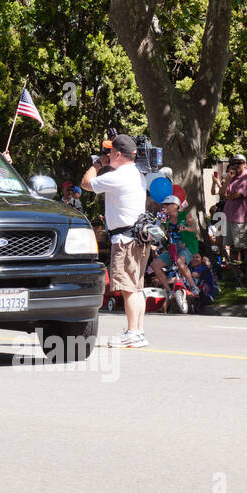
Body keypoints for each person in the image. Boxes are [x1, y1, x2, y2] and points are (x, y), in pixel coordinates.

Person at [81, 134, 150, 347]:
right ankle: (137, 331)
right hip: (139, 237)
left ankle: (132, 332)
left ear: (118, 154)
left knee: (128, 288)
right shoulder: (137, 173)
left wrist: (98, 163)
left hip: (125, 240)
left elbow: (85, 183)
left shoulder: (117, 176)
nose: (107, 155)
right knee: (137, 288)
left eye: (110, 153)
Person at [213, 155, 247, 276]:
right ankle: (237, 273)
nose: (236, 165)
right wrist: (227, 180)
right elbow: (222, 193)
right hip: (228, 217)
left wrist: (227, 196)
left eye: (239, 162)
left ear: (244, 164)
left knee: (243, 247)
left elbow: (236, 195)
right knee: (229, 245)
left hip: (240, 219)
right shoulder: (232, 177)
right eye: (233, 162)